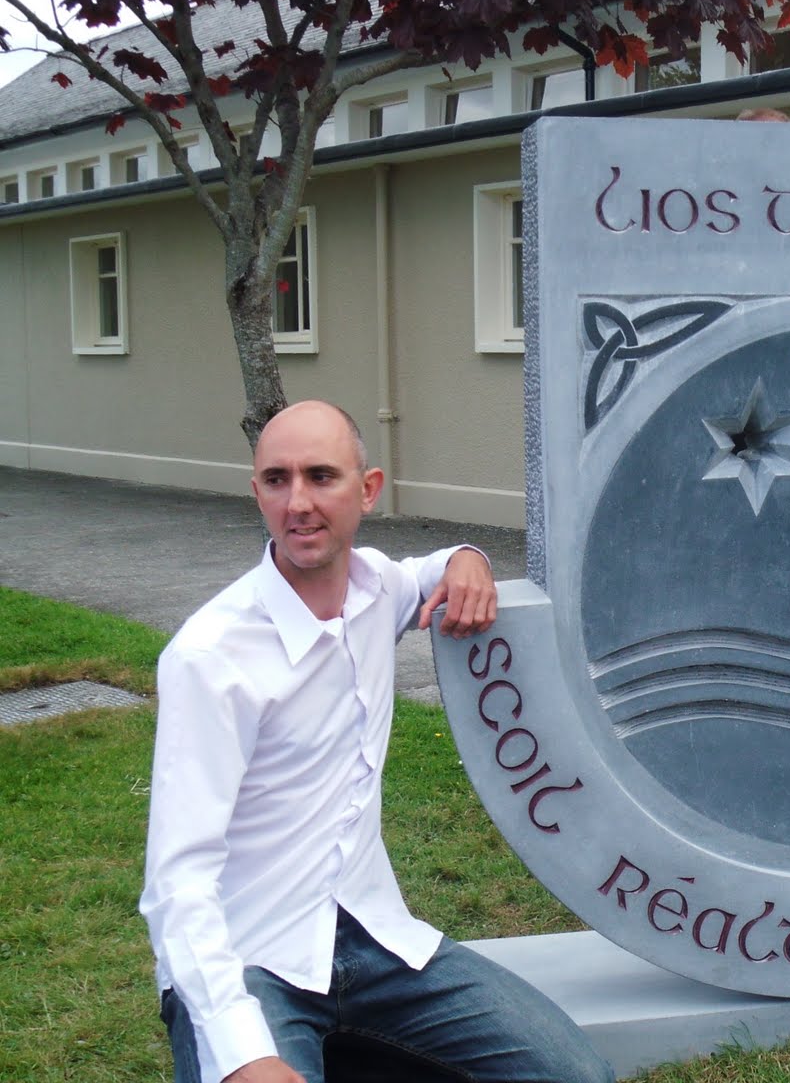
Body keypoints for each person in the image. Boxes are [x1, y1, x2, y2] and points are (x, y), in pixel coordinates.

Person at [139, 400, 613, 1083]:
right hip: (249, 960)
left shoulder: (375, 587)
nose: (297, 502)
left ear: (368, 490)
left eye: (321, 476)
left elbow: (431, 568)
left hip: (372, 939)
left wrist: (468, 559)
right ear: (256, 493)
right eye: (276, 480)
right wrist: (244, 1053)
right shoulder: (211, 656)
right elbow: (177, 881)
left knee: (575, 1076)